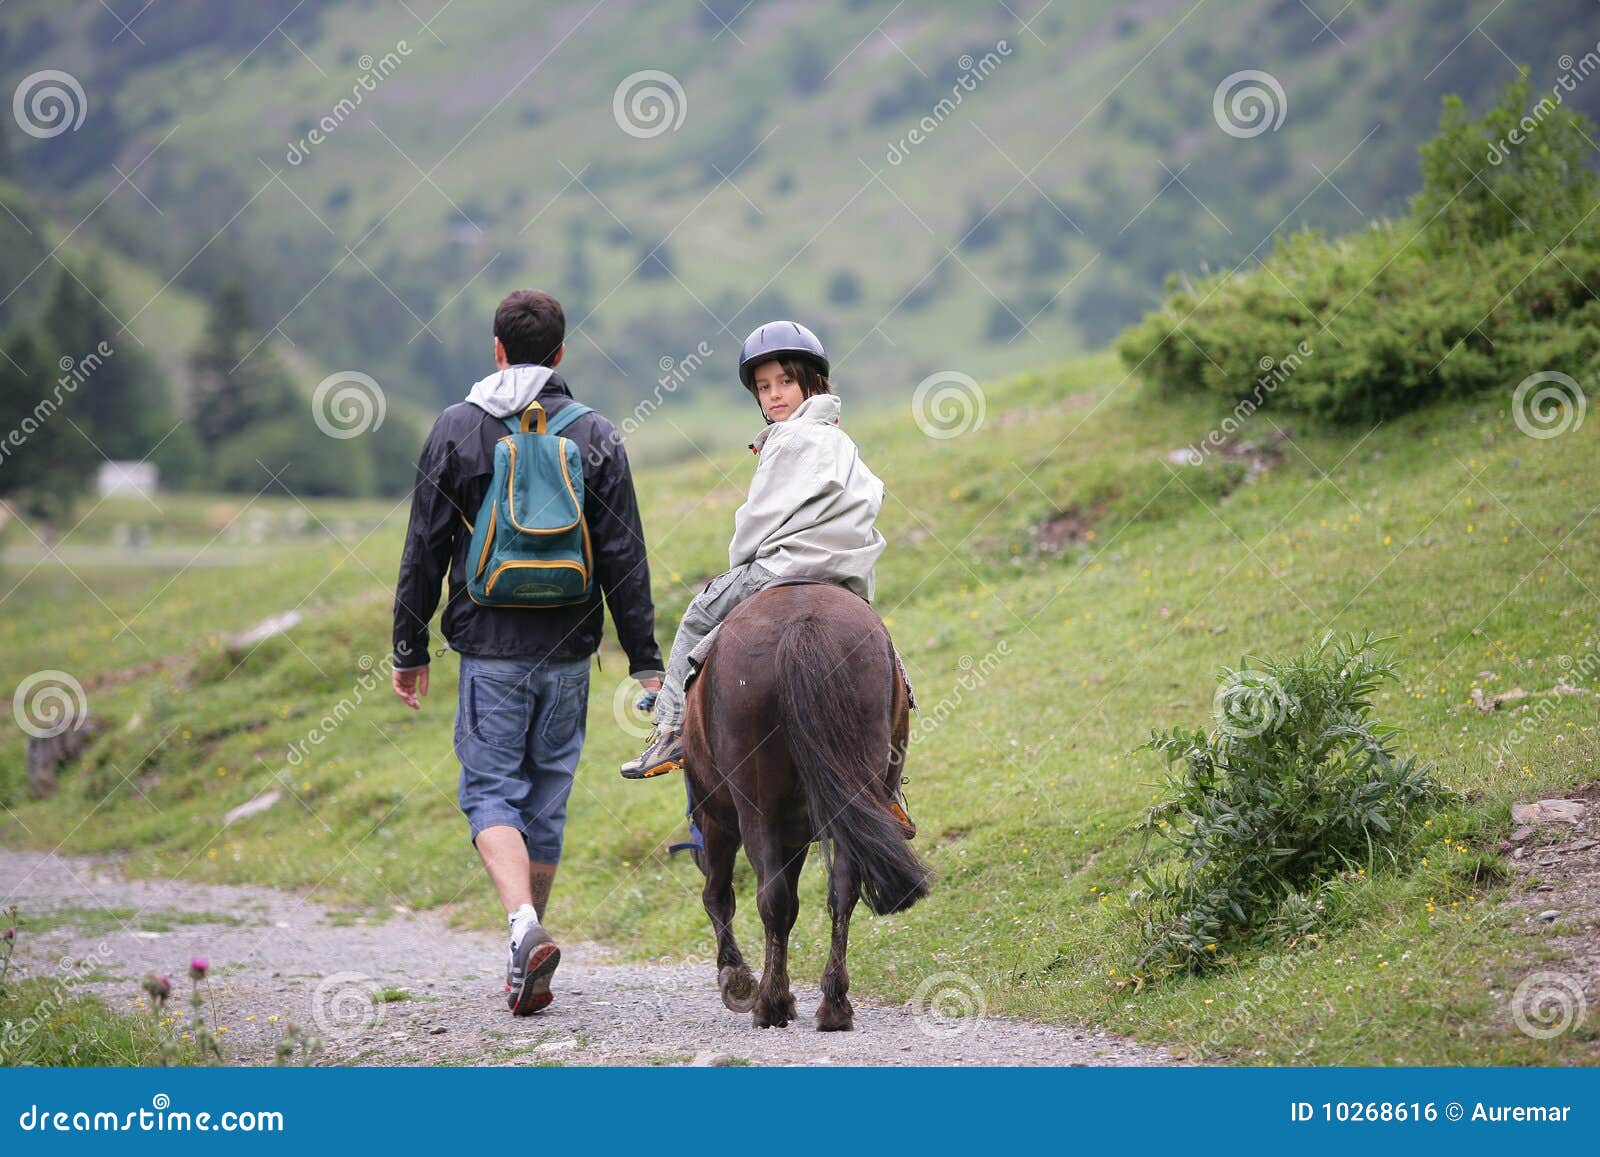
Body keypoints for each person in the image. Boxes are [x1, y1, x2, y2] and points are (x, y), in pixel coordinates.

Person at [390, 289, 663, 1015]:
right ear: (562, 355)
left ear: (497, 349)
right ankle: (526, 953)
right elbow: (624, 555)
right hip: (572, 650)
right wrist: (645, 659)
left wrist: (408, 646)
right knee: (544, 800)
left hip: (490, 649)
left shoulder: (458, 427)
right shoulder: (597, 435)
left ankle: (522, 930)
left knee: (488, 792)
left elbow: (424, 545)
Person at [619, 320, 914, 837]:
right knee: (888, 660)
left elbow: (758, 521)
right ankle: (888, 789)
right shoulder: (842, 442)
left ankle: (667, 733)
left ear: (811, 383)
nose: (775, 395)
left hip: (781, 566)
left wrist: (740, 562)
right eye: (764, 387)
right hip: (842, 578)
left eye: (785, 382)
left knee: (697, 616)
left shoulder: (789, 439)